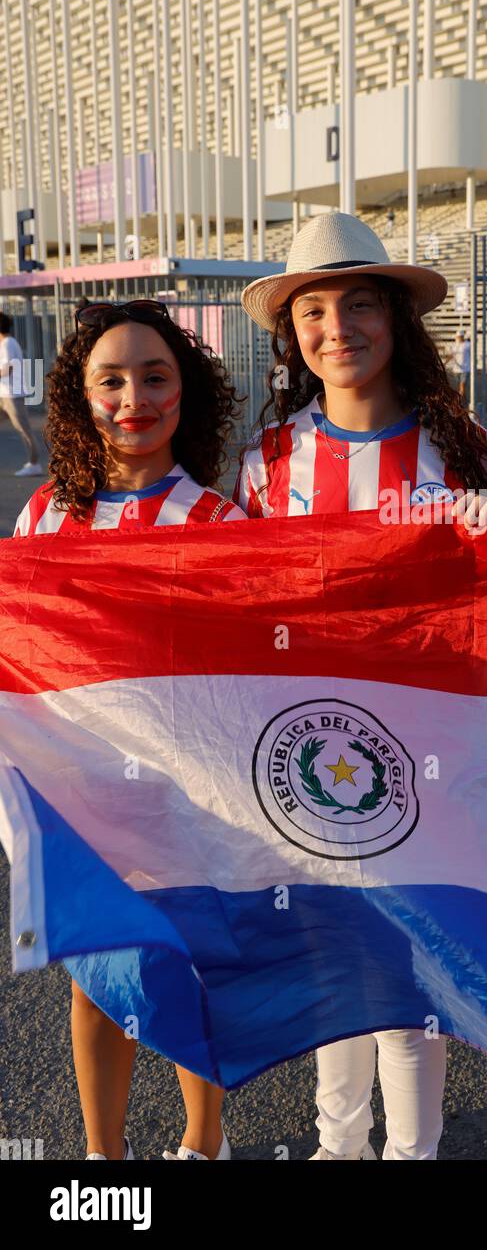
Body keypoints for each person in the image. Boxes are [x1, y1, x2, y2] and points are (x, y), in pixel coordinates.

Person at [234, 211, 487, 1160]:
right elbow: (236, 609)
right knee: (336, 961)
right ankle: (338, 1145)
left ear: (395, 318)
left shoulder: (465, 449)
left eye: (359, 304)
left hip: (430, 757)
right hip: (307, 749)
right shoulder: (265, 465)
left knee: (407, 976)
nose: (337, 328)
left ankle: (412, 1153)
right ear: (291, 334)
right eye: (313, 311)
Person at [14, 299, 246, 1161]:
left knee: (190, 973)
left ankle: (203, 1143)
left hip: (191, 798)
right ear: (79, 398)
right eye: (110, 380)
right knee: (96, 980)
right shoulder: (44, 516)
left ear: (188, 392)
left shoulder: (220, 523)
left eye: (155, 377)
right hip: (80, 796)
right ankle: (102, 1157)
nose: (134, 399)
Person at [0, 312, 42, 476]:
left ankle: (34, 463)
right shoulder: (6, 343)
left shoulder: (8, 344)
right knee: (22, 428)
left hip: (13, 394)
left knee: (24, 429)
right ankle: (33, 462)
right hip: (4, 394)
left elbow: (9, 367)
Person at [453, 329, 471, 401]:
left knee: (462, 386)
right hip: (456, 369)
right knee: (459, 388)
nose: (459, 338)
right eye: (458, 336)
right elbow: (451, 355)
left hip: (465, 369)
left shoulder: (468, 344)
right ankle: (464, 401)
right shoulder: (455, 345)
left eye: (460, 336)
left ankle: (459, 402)